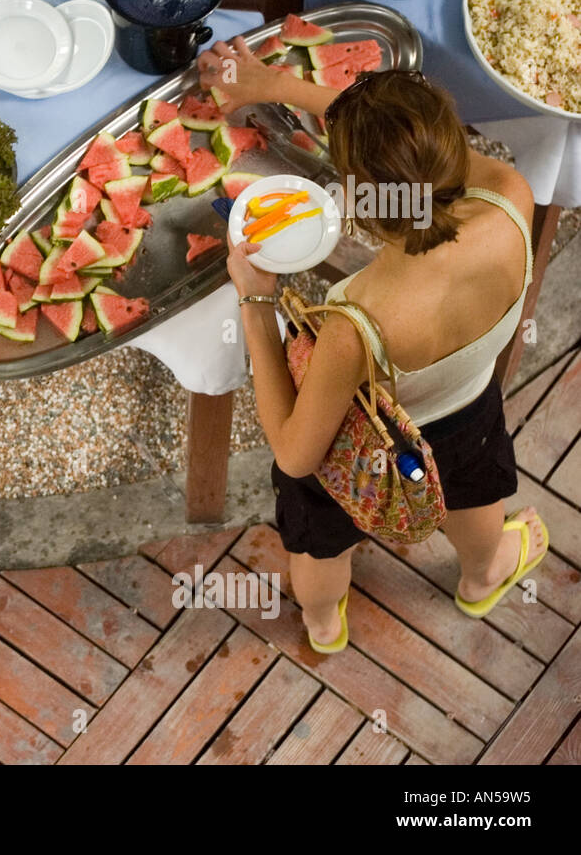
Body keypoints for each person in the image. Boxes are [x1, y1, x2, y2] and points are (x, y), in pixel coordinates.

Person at [199, 38, 549, 654]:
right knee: (474, 493)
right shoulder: (511, 194)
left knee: (322, 539)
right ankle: (484, 575)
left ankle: (325, 623)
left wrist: (255, 300)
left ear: (357, 201)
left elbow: (294, 455)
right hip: (468, 412)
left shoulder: (356, 323)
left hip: (362, 450)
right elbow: (407, 144)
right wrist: (277, 85)